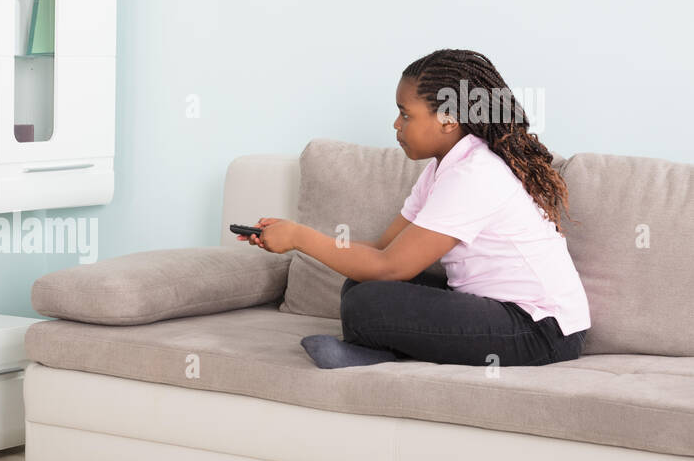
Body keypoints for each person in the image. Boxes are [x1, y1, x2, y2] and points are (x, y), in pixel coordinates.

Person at [242, 48, 590, 368]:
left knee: (368, 304)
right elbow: (382, 249)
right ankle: (378, 353)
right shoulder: (443, 167)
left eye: (405, 114)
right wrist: (295, 234)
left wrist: (300, 238)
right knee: (359, 287)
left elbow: (390, 266)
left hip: (542, 331)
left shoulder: (475, 174)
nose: (396, 125)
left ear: (449, 119)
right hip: (506, 313)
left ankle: (377, 353)